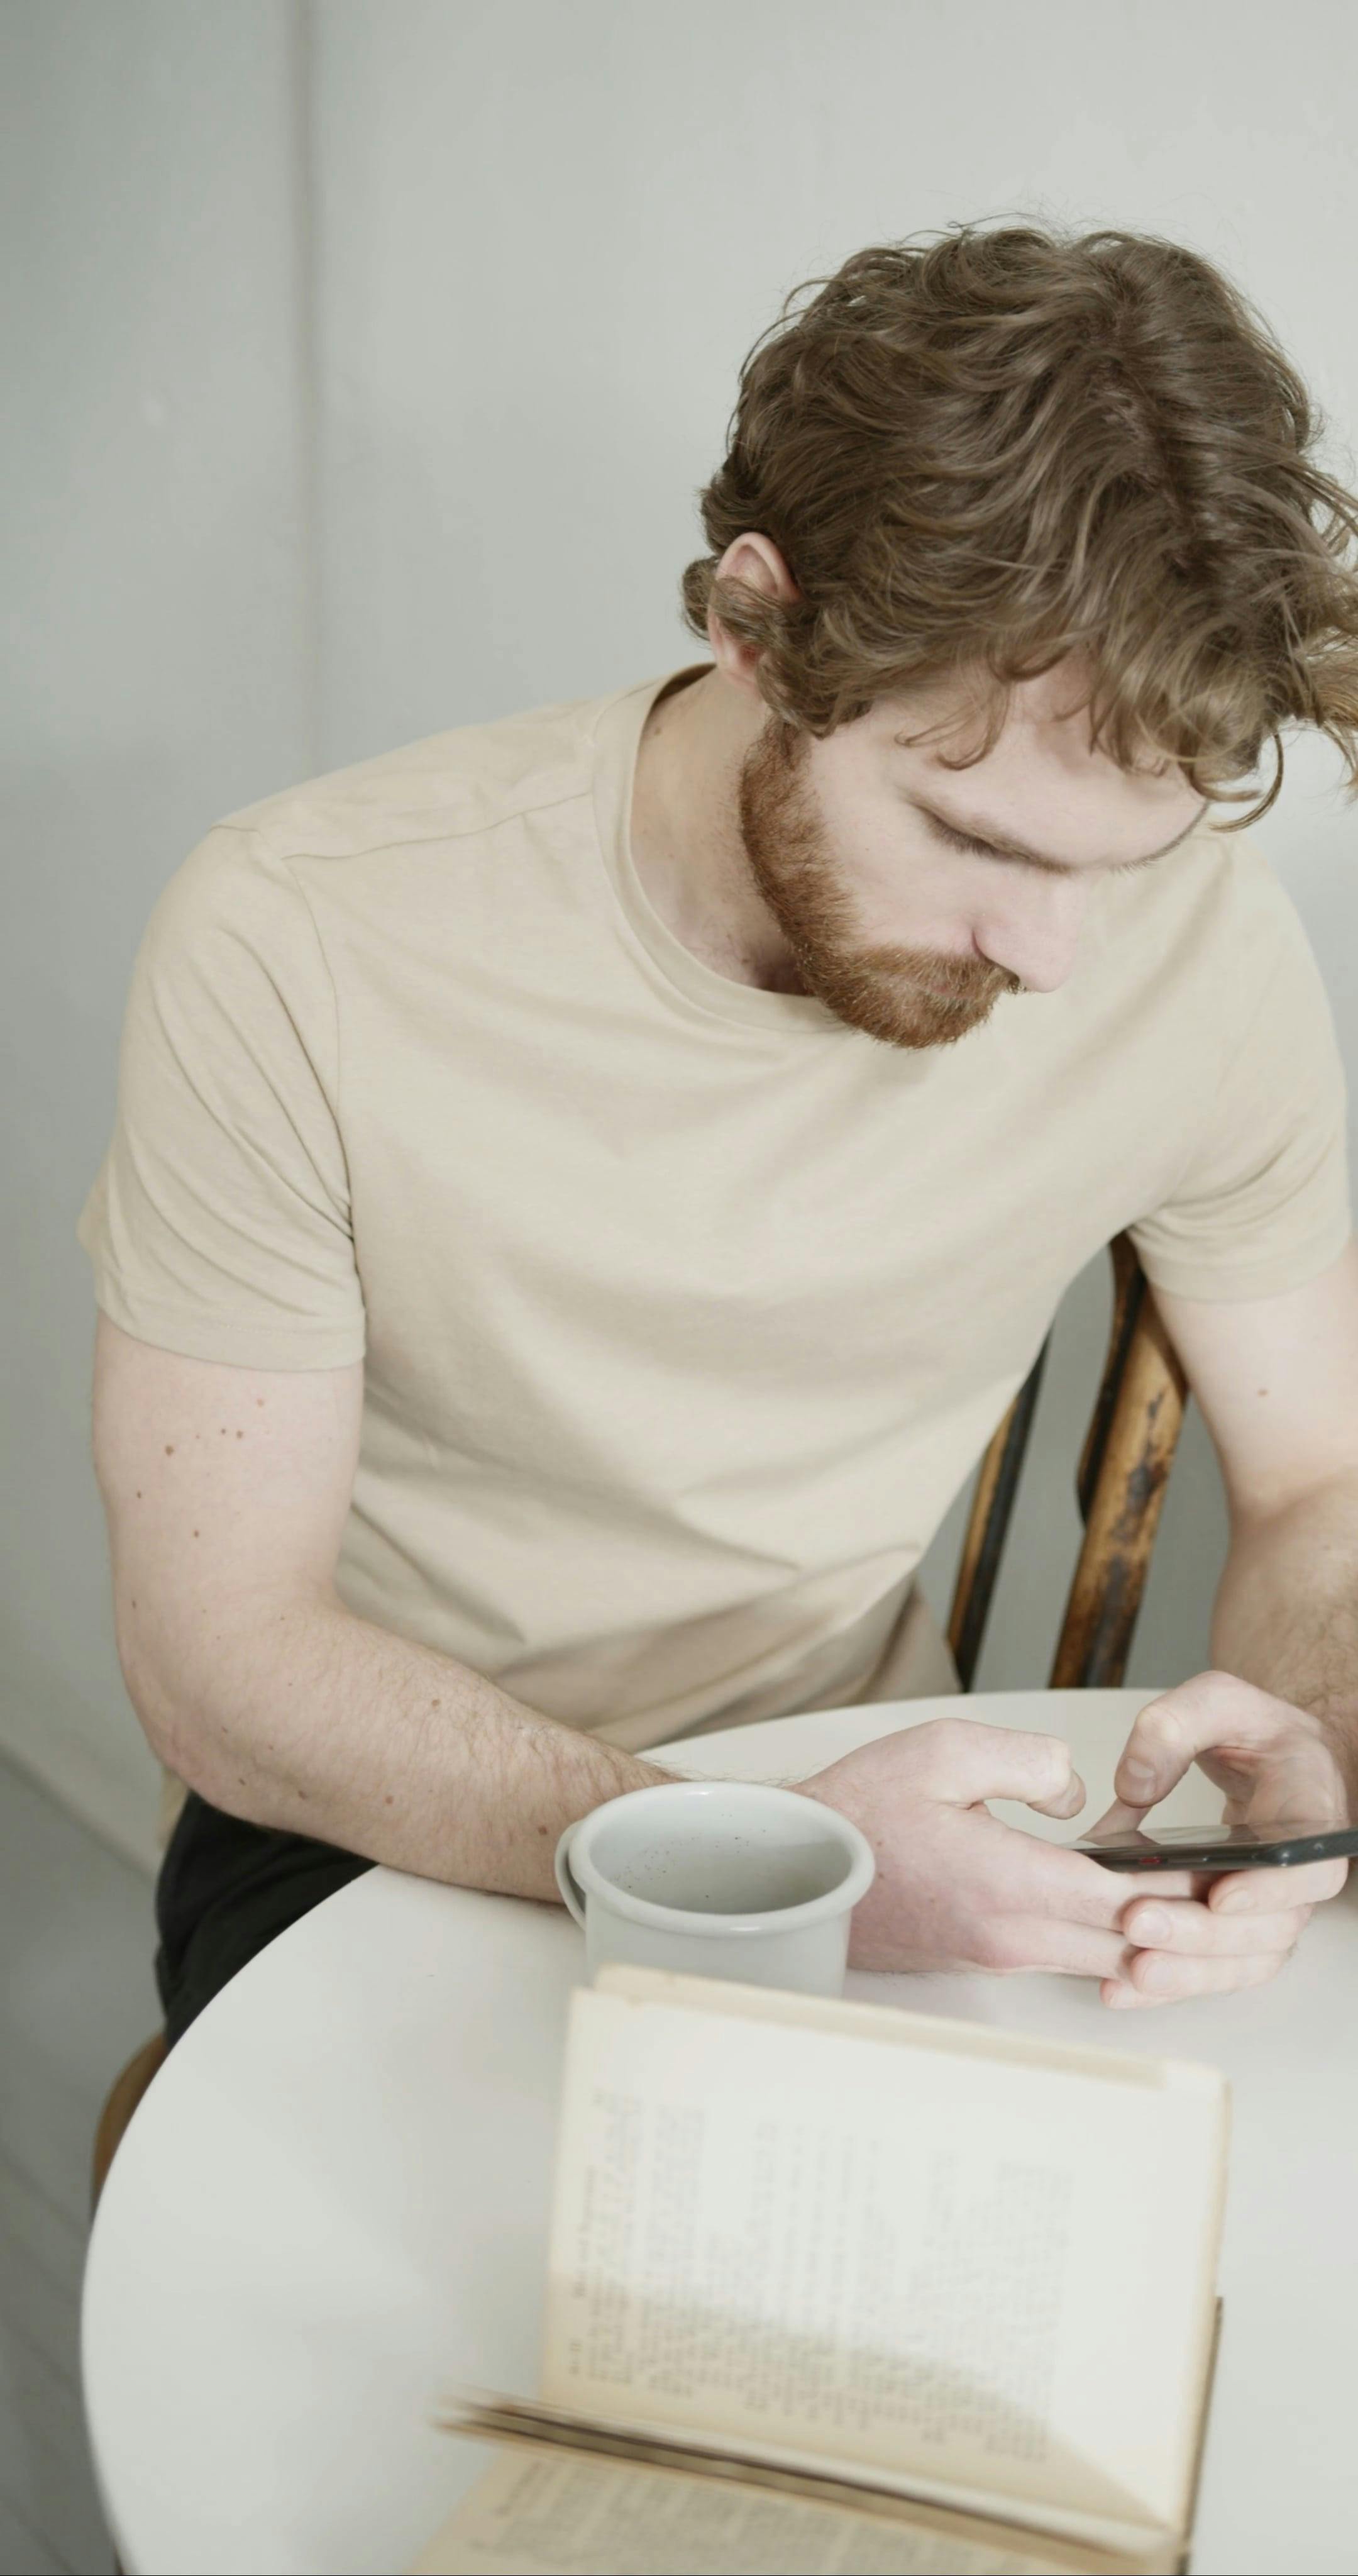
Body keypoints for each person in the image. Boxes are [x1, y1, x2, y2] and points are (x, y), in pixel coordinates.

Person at [81, 221, 1358, 2046]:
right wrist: (744, 1854)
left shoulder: (1199, 948)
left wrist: (1320, 1733)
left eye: (1116, 866)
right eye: (980, 842)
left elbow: (1322, 1483)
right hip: (385, 1823)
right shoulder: (301, 933)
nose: (1056, 955)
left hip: (869, 1786)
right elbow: (224, 1661)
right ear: (755, 625)